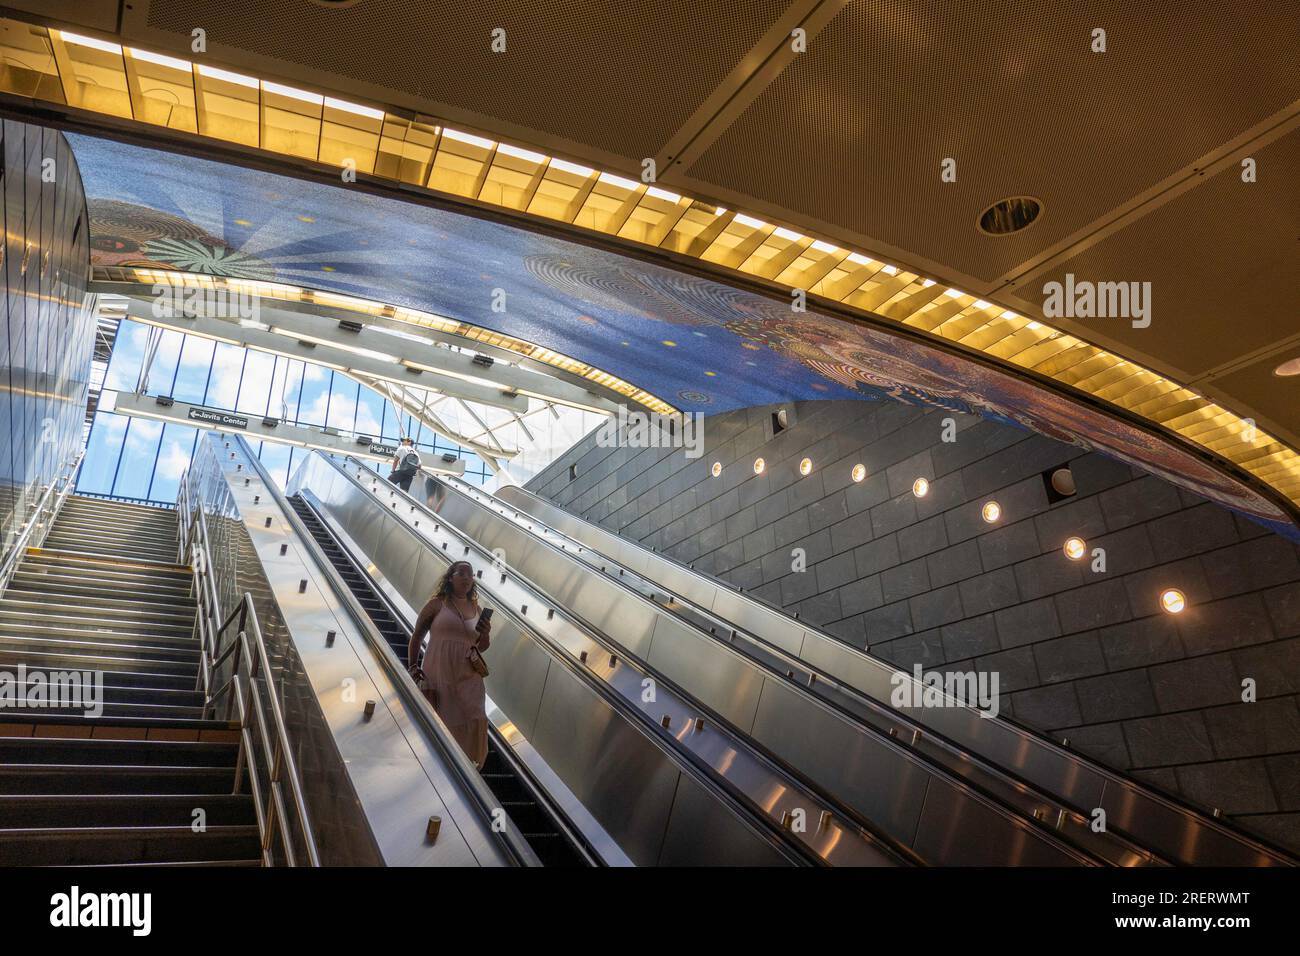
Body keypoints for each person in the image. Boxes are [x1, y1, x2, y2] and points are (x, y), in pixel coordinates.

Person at [407, 561, 492, 768]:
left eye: (470, 574)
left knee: (474, 718)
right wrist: (413, 666)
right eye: (461, 573)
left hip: (469, 678)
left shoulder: (476, 609)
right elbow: (417, 637)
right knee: (445, 719)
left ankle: (468, 767)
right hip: (440, 672)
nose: (466, 577)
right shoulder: (437, 604)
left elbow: (481, 647)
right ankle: (443, 767)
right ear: (450, 578)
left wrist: (486, 633)